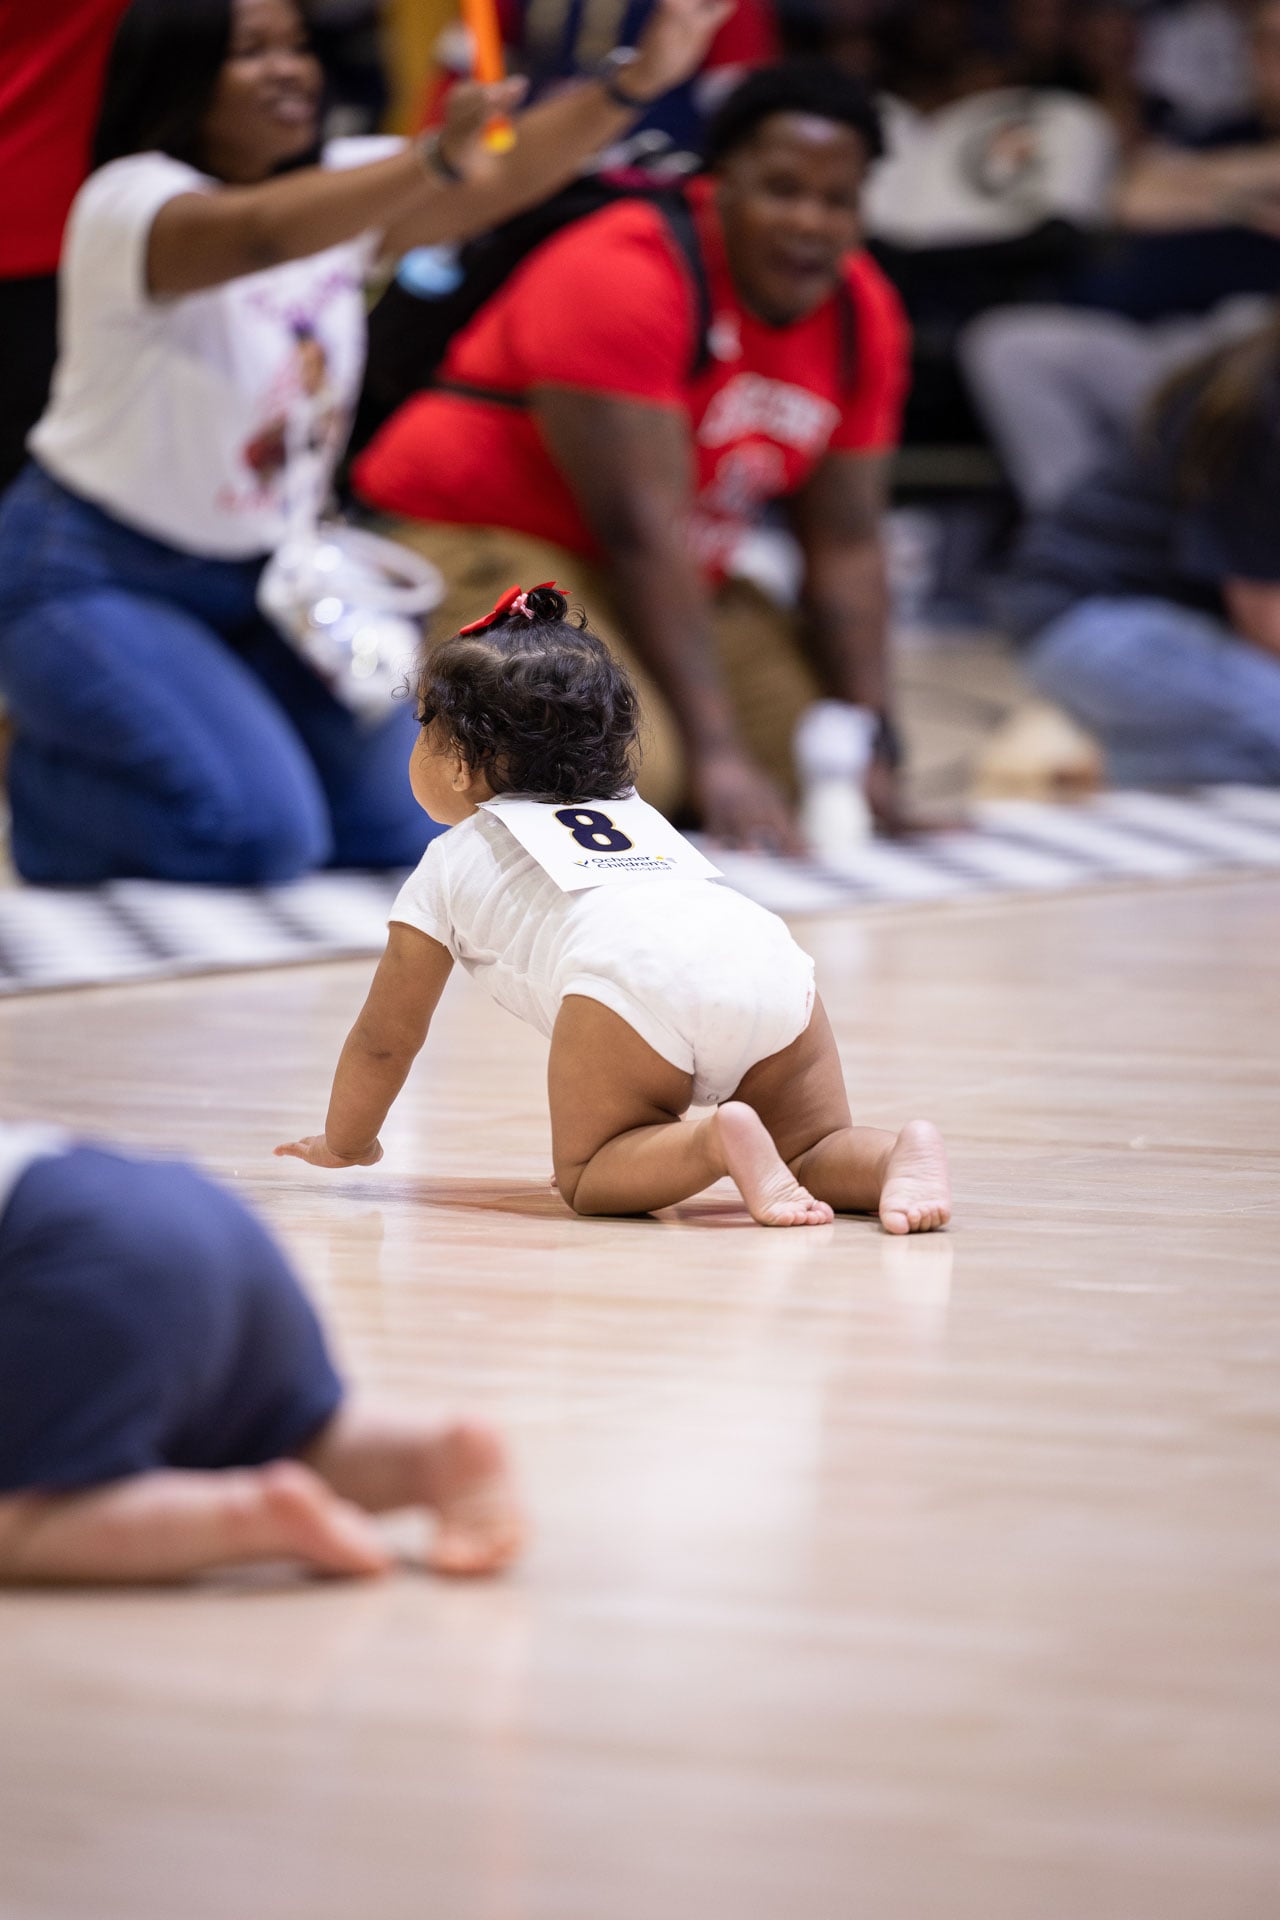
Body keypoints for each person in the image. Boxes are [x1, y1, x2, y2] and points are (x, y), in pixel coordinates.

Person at [0, 0, 729, 887]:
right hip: (93, 568)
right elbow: (266, 230)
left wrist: (635, 81)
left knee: (397, 823)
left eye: (297, 46)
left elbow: (499, 180)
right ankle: (44, 790)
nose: (290, 69)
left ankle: (194, 725)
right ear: (181, 77)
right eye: (250, 53)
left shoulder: (346, 183)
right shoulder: (130, 199)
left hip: (272, 581)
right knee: (254, 836)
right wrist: (429, 159)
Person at [351, 62, 912, 851]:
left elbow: (849, 546)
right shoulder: (623, 270)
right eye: (782, 190)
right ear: (717, 186)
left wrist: (878, 746)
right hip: (484, 541)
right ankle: (392, 770)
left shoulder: (862, 311)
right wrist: (716, 753)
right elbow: (640, 531)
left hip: (657, 572)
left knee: (813, 766)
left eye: (837, 201)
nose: (810, 224)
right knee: (647, 772)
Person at [276, 585, 952, 1233]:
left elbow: (386, 1038)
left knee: (590, 1175)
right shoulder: (640, 816)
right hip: (766, 957)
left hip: (631, 980)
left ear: (457, 764)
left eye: (423, 730)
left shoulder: (452, 859)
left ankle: (717, 1142)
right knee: (813, 1148)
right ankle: (896, 1157)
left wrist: (348, 1141)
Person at [0, 1123, 523, 1583]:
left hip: (87, 1259)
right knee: (288, 1432)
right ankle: (428, 1454)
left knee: (28, 1518)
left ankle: (242, 1518)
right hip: (204, 1211)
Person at [1000, 316, 1280, 786]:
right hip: (1096, 617)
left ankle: (1107, 747)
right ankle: (1095, 753)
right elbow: (1264, 615)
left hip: (1204, 629)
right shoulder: (1258, 401)